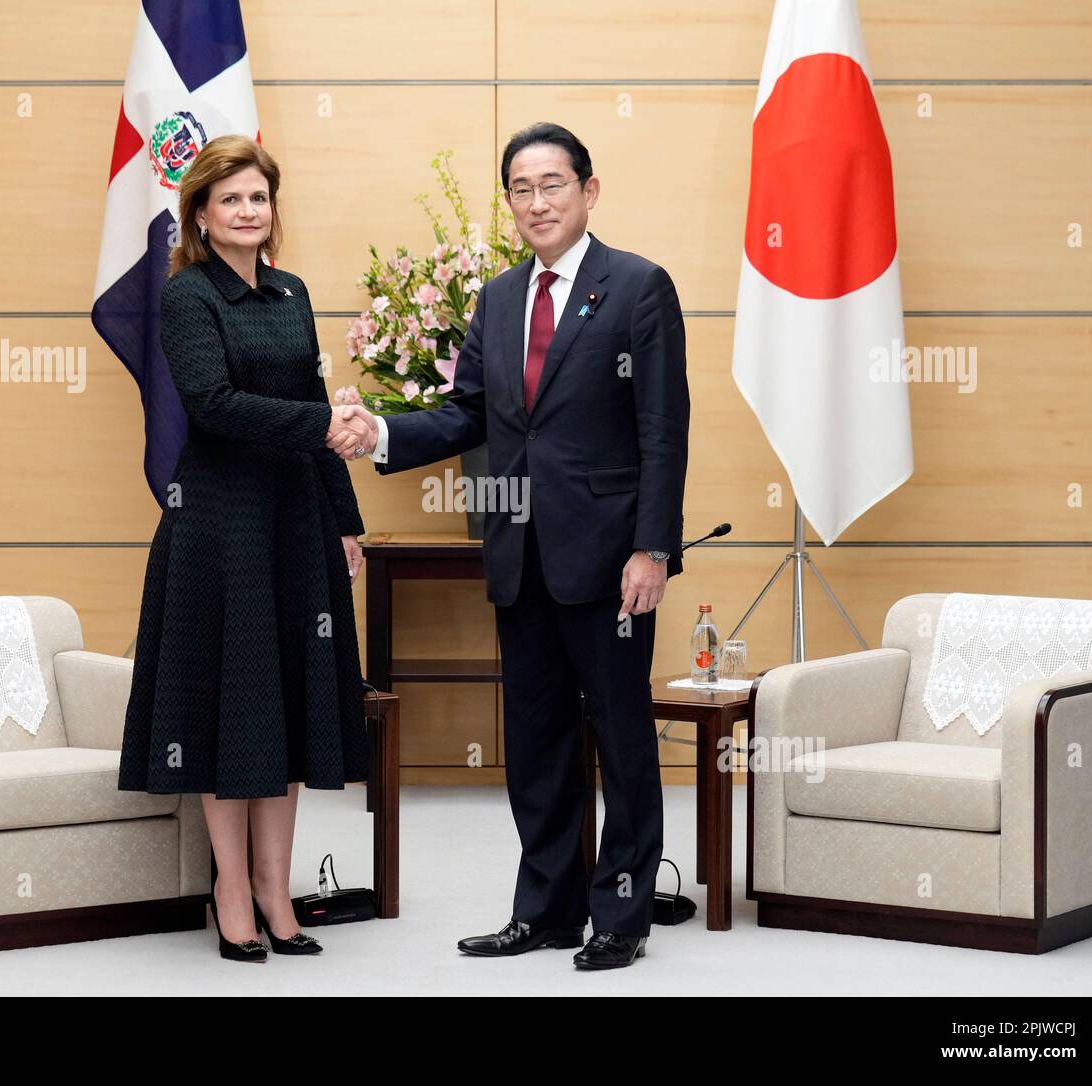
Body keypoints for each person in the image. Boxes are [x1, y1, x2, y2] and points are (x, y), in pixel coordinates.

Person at [328, 123, 689, 969]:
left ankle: (621, 918)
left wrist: (654, 550)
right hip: (519, 557)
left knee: (623, 741)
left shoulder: (637, 287)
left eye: (553, 184)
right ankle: (548, 911)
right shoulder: (496, 299)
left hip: (608, 561)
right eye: (521, 190)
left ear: (589, 191)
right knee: (535, 744)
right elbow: (467, 416)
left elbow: (663, 432)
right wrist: (379, 430)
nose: (537, 203)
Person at [118, 135, 370, 962]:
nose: (247, 212)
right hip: (221, 525)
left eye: (258, 198)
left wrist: (346, 520)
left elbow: (309, 408)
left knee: (289, 707)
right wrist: (320, 424)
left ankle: (275, 887)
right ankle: (230, 888)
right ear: (200, 212)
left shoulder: (292, 291)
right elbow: (213, 402)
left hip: (295, 520)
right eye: (230, 199)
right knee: (234, 711)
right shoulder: (188, 296)